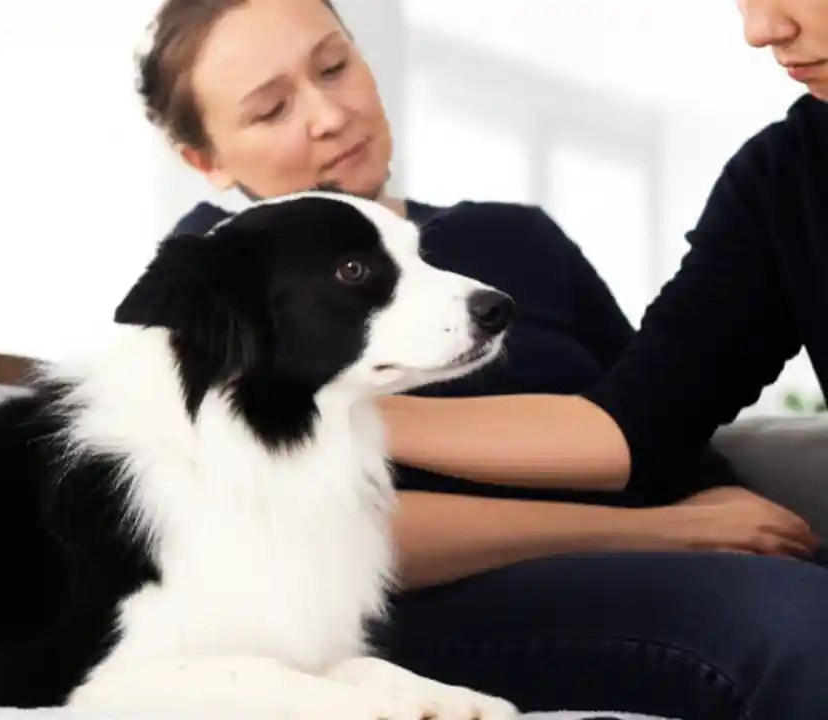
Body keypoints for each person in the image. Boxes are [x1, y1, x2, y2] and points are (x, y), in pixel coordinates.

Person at [135, 0, 828, 717]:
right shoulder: (215, 303)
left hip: (660, 557)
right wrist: (664, 532)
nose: (328, 115)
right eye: (271, 109)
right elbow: (297, 543)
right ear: (203, 159)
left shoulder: (515, 240)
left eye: (336, 66)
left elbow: (649, 420)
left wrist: (702, 500)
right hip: (435, 605)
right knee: (798, 627)